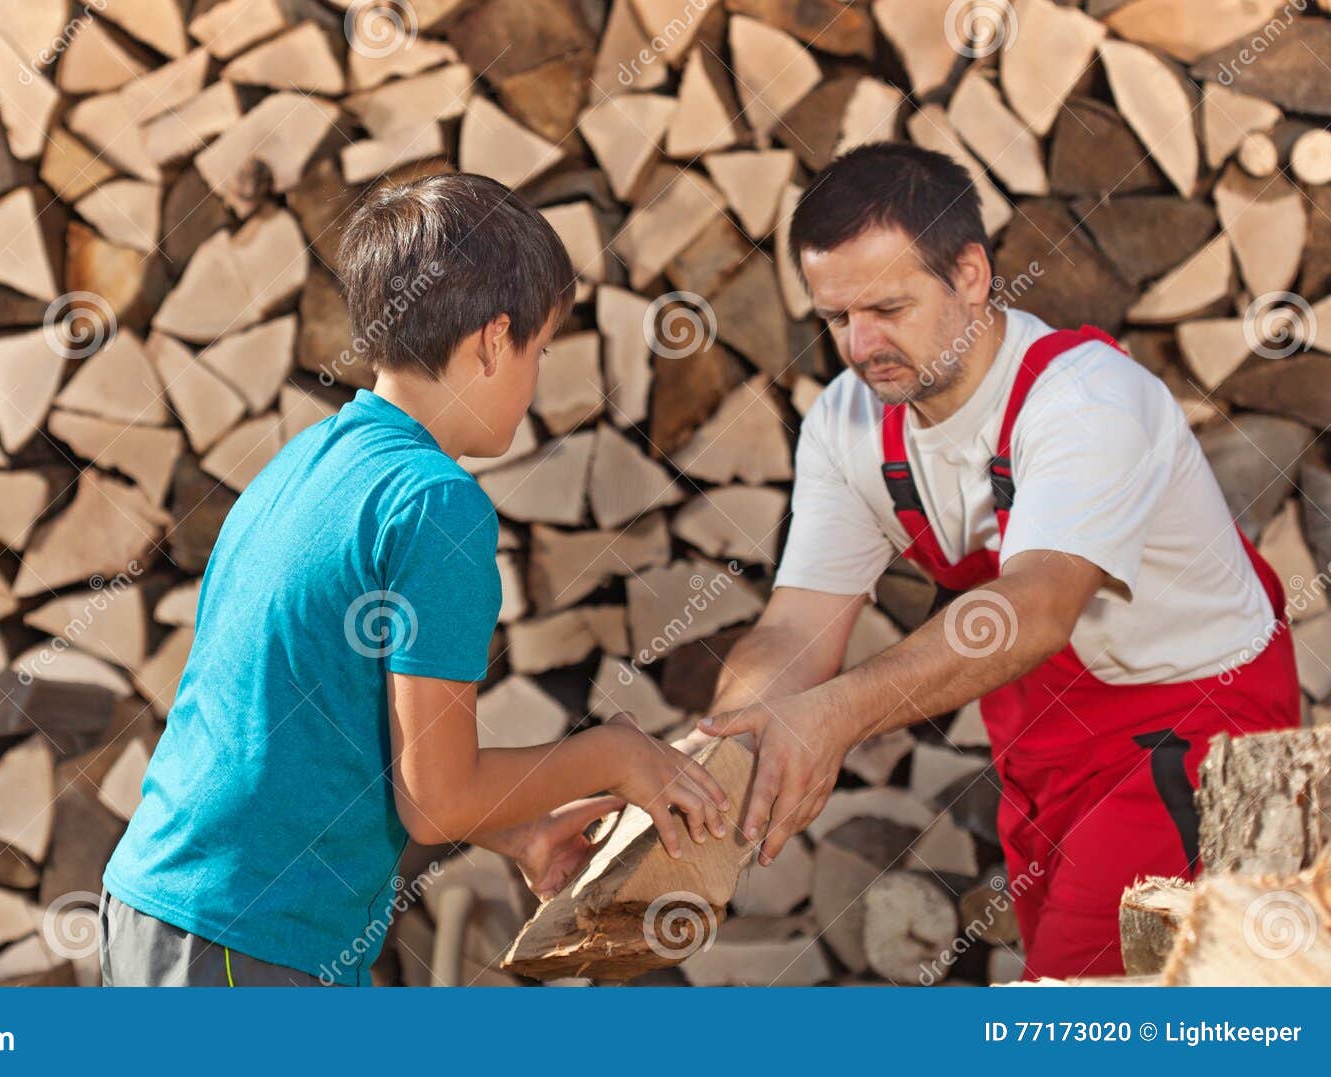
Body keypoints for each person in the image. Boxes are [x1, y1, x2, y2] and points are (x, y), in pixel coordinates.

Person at [100, 172, 730, 987]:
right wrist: (616, 751)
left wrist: (520, 831)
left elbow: (327, 724)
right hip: (249, 938)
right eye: (539, 351)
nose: (535, 381)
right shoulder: (437, 504)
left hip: (175, 908)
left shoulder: (309, 462)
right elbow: (435, 799)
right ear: (493, 339)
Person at [696, 142, 1301, 980]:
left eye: (888, 307)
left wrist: (833, 717)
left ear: (973, 275)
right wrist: (722, 745)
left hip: (1192, 734)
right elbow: (797, 622)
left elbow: (1038, 607)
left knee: (1078, 1014)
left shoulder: (1084, 399)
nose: (861, 345)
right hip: (1043, 753)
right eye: (837, 319)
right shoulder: (847, 421)